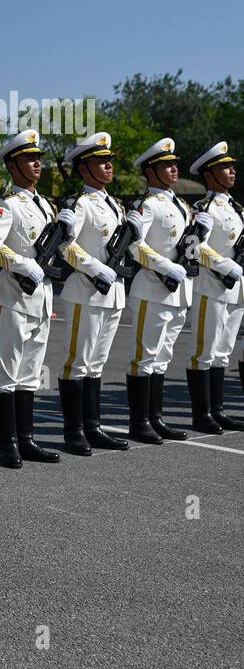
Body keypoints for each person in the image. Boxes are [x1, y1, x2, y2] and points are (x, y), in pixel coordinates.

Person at [0, 130, 62, 468]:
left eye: (38, 157)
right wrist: (22, 264)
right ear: (13, 165)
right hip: (13, 297)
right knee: (6, 373)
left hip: (41, 300)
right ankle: (7, 443)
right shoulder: (6, 205)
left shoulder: (44, 204)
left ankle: (27, 439)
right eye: (29, 158)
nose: (37, 163)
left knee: (30, 373)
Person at [124, 138, 208, 442]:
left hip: (178, 291)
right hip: (152, 290)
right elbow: (135, 245)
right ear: (151, 171)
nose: (174, 169)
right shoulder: (148, 205)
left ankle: (156, 418)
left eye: (174, 164)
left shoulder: (180, 204)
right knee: (144, 357)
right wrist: (164, 266)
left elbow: (187, 246)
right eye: (166, 165)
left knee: (162, 357)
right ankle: (139, 421)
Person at [56, 132, 132, 454]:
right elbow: (64, 245)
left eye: (110, 160)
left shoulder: (115, 204)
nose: (109, 165)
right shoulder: (80, 204)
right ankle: (73, 432)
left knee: (97, 363)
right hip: (85, 291)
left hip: (112, 293)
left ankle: (93, 426)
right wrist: (93, 267)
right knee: (78, 362)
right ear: (85, 168)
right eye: (102, 161)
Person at [187, 142, 244, 431]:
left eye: (232, 166)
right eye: (225, 167)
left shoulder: (236, 208)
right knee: (204, 351)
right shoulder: (203, 208)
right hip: (211, 287)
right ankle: (202, 414)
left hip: (236, 290)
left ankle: (218, 409)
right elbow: (194, 248)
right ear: (209, 174)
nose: (232, 171)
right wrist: (226, 266)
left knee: (223, 351)